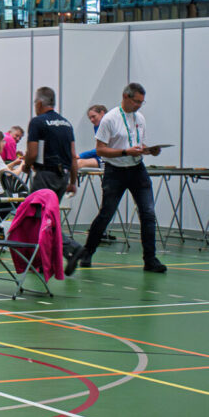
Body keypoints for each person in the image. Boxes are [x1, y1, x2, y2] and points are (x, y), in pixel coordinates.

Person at [67, 82, 166, 275]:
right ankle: (87, 252)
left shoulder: (140, 118)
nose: (139, 105)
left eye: (141, 102)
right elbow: (100, 149)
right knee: (106, 213)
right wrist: (124, 151)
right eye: (137, 101)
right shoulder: (110, 119)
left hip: (137, 169)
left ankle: (150, 259)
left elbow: (138, 142)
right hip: (116, 171)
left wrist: (148, 150)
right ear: (126, 97)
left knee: (148, 213)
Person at [25, 87, 78, 198]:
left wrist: (26, 165)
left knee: (37, 212)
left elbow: (33, 154)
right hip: (64, 176)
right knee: (52, 211)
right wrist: (73, 182)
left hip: (45, 175)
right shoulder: (66, 124)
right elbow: (73, 155)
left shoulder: (37, 122)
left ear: (39, 103)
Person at [78, 104, 108, 169]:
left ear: (102, 113)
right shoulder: (97, 126)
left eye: (94, 116)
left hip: (111, 159)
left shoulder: (108, 125)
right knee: (77, 162)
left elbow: (101, 149)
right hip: (103, 156)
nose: (92, 120)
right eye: (90, 118)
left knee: (79, 163)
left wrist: (80, 155)